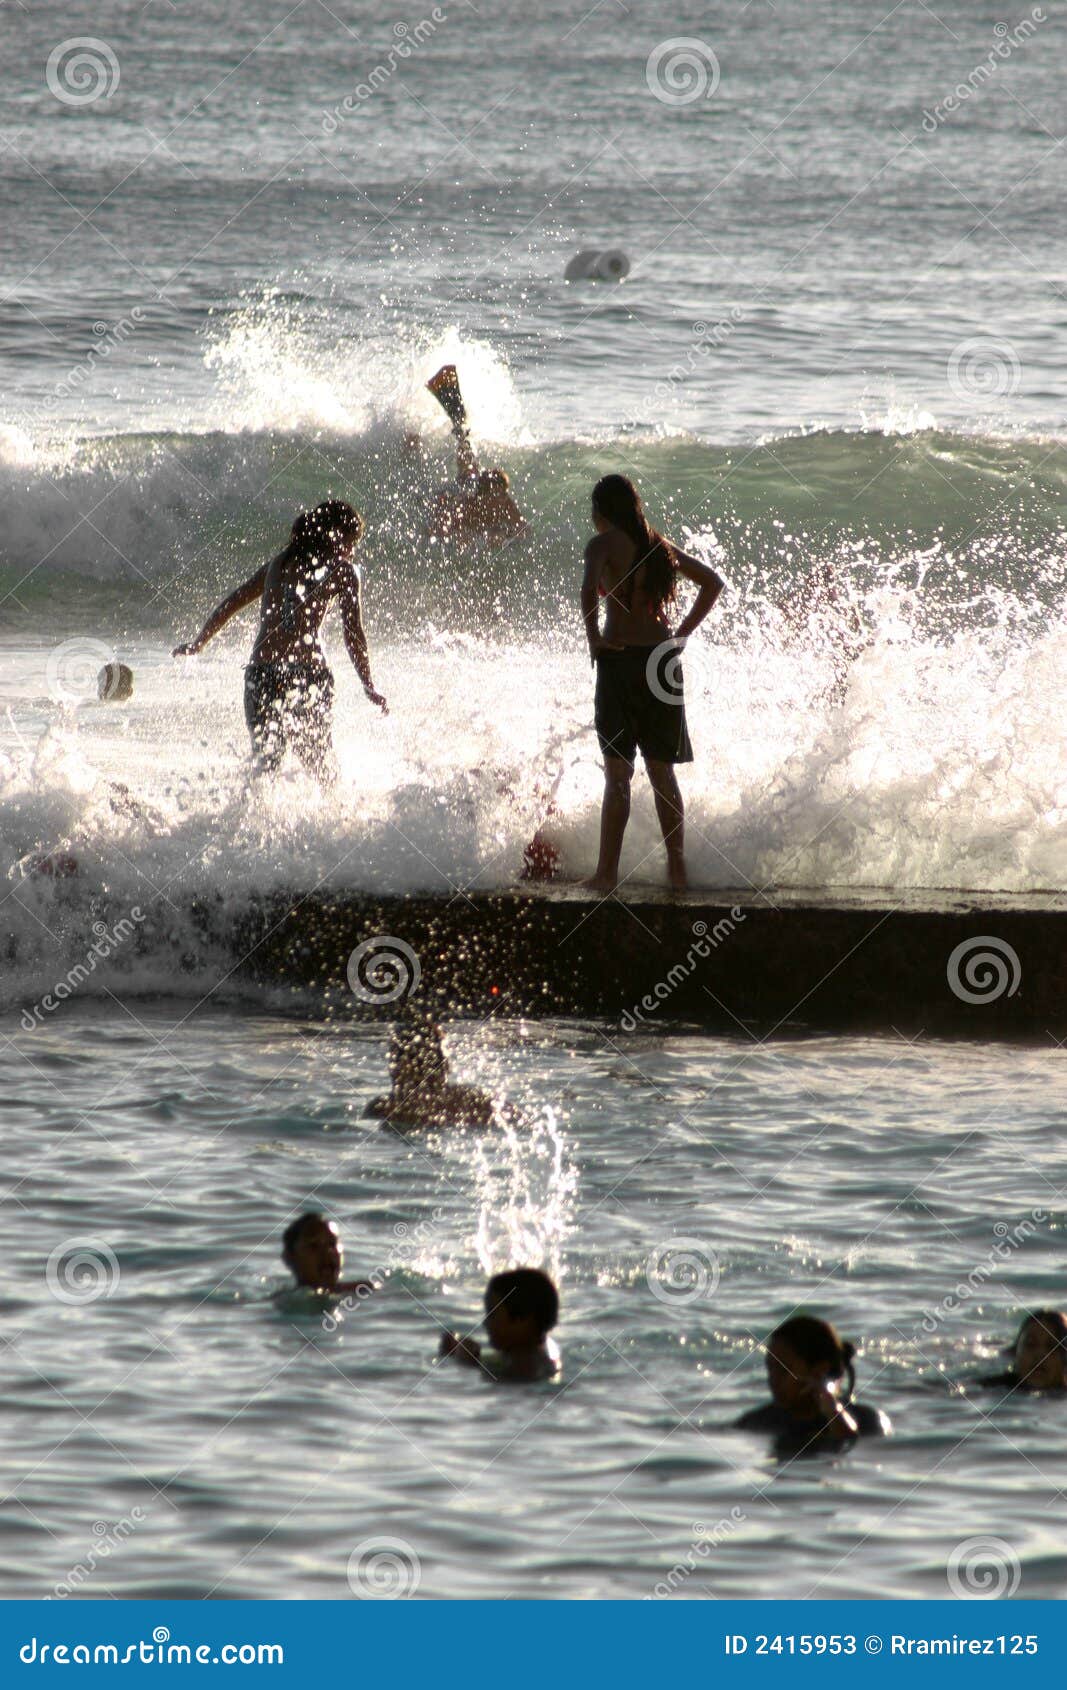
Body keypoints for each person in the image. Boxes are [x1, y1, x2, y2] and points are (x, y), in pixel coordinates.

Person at [173, 500, 387, 784]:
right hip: (308, 675)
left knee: (266, 764)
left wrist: (200, 642)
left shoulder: (278, 563)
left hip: (262, 674)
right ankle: (337, 824)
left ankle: (251, 824)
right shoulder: (344, 571)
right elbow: (353, 633)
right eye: (351, 542)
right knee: (321, 765)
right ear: (335, 536)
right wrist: (367, 682)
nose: (352, 551)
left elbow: (234, 601)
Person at [580, 474, 724, 893]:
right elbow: (712, 583)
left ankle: (606, 874)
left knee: (619, 774)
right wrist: (680, 635)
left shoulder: (602, 545)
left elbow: (588, 591)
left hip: (621, 662)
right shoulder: (659, 546)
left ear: (600, 511)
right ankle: (676, 870)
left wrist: (594, 640)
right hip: (662, 664)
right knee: (661, 771)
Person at [735, 1313, 890, 1453]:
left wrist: (832, 1410)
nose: (772, 1380)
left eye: (783, 1371)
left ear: (819, 1371)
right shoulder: (757, 1422)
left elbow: (852, 1445)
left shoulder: (869, 1420)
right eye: (770, 1370)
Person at [424, 365, 525, 546]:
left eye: (502, 495)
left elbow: (524, 531)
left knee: (471, 469)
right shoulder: (467, 506)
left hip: (472, 482)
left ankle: (460, 426)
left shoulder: (504, 502)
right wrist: (458, 536)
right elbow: (436, 530)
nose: (502, 500)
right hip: (453, 492)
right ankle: (457, 427)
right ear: (484, 497)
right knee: (467, 473)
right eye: (497, 496)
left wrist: (505, 535)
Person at [365, 1015, 495, 1129]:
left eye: (393, 1061)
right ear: (446, 1066)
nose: (391, 1070)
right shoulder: (476, 1102)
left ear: (403, 1066)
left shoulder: (385, 1108)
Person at [438, 1267, 560, 1381]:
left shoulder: (526, 1364)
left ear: (523, 1320)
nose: (486, 1323)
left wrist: (467, 1363)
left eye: (492, 1314)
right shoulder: (541, 1350)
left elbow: (508, 1381)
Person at [280, 1212, 374, 1297]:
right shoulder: (284, 1299)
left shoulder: (362, 1289)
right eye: (314, 1246)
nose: (327, 1252)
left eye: (332, 1244)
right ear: (290, 1257)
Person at [974, 1310, 1067, 1392]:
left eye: (1052, 1347)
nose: (1040, 1355)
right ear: (1016, 1353)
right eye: (1030, 1345)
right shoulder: (994, 1387)